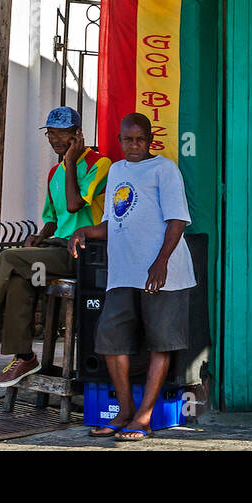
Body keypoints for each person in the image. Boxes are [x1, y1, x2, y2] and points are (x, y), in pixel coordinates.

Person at [0, 106, 110, 387]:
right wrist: (39, 235)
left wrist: (73, 162)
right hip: (54, 248)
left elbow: (75, 204)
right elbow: (53, 218)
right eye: (50, 134)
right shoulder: (55, 173)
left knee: (10, 258)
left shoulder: (100, 164)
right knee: (18, 276)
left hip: (82, 253)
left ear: (77, 135)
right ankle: (25, 356)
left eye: (61, 134)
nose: (54, 140)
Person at [72, 112, 195, 441]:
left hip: (162, 273)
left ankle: (143, 417)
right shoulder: (116, 171)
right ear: (120, 140)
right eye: (128, 139)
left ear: (150, 139)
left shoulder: (164, 169)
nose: (135, 145)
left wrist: (161, 262)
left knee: (160, 343)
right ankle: (124, 410)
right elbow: (114, 222)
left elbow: (178, 221)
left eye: (141, 139)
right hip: (123, 272)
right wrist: (85, 231)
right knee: (112, 341)